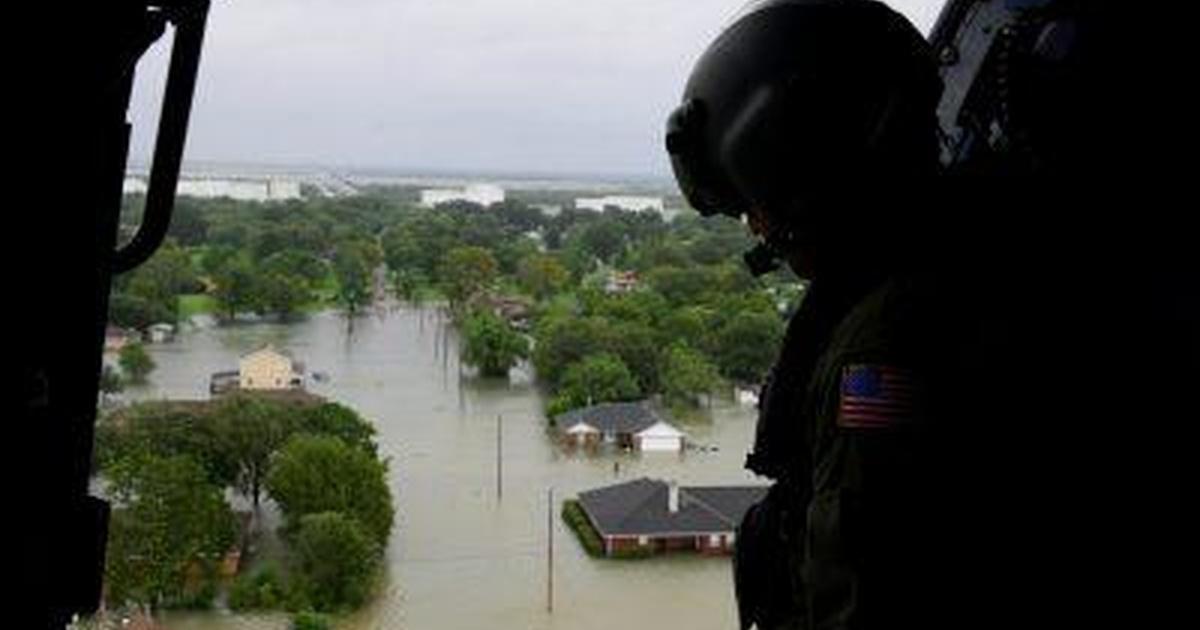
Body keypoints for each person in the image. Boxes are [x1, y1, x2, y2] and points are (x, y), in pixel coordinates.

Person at [665, 1, 982, 628]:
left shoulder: (888, 342)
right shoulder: (956, 272)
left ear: (812, 172)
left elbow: (864, 588)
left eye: (758, 203)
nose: (758, 226)